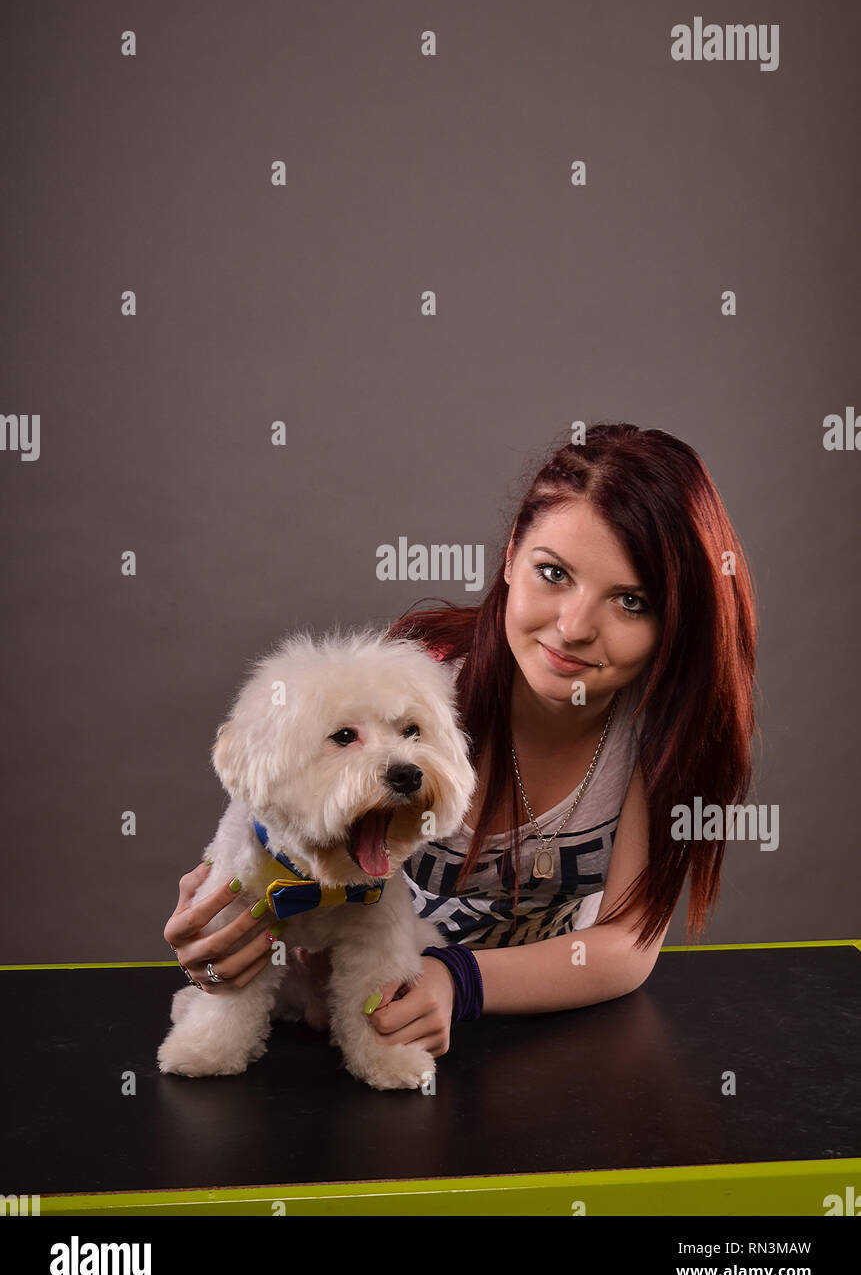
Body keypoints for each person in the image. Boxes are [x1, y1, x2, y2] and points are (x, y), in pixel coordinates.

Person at [164, 422, 758, 1067]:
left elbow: (624, 945)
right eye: (553, 573)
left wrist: (456, 978)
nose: (574, 627)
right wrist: (226, 942)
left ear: (677, 621)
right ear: (510, 557)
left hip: (556, 1047)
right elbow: (274, 829)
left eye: (632, 601)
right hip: (369, 1024)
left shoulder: (659, 738)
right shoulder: (411, 690)